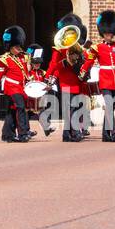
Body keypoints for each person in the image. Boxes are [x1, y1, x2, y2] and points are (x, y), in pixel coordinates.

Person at [47, 13, 88, 141]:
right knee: (71, 107)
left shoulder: (79, 47)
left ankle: (67, 134)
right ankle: (74, 132)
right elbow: (54, 64)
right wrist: (49, 77)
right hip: (65, 79)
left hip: (76, 79)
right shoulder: (59, 48)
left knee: (73, 106)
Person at [88, 11, 115, 143]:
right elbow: (89, 61)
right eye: (106, 33)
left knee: (111, 107)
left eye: (110, 33)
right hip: (105, 80)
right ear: (102, 33)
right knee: (109, 106)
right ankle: (113, 132)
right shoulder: (97, 47)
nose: (108, 35)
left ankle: (106, 135)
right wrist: (83, 71)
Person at [0, 26, 32, 142]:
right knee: (20, 107)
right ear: (10, 47)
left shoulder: (23, 57)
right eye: (16, 46)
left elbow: (25, 72)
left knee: (12, 110)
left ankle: (7, 134)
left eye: (19, 46)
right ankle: (23, 133)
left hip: (21, 87)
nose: (19, 48)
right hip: (11, 87)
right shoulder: (4, 59)